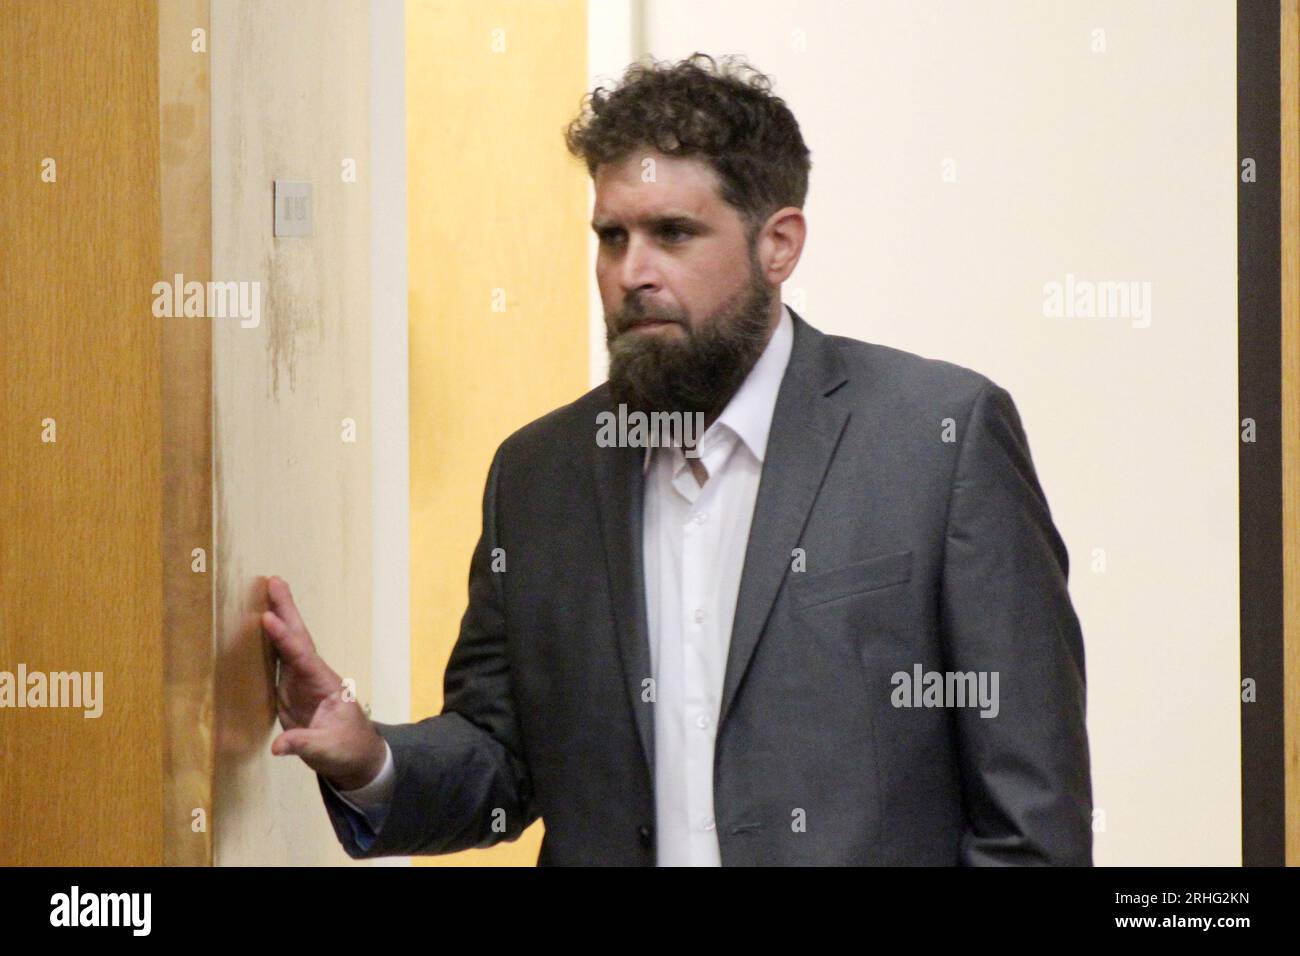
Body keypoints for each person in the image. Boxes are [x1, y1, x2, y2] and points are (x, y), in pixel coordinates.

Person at [265, 53, 1092, 866]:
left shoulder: (936, 440)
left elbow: (1031, 815)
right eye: (612, 237)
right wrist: (369, 758)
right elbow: (500, 760)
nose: (633, 273)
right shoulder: (539, 476)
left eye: (673, 234)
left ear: (780, 244)